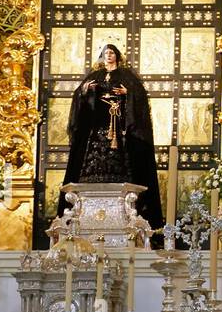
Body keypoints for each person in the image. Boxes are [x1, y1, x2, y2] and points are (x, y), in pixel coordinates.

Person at [61, 44, 163, 231]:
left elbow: (139, 95)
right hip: (97, 124)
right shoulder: (95, 76)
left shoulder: (126, 76)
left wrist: (128, 93)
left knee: (124, 156)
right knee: (91, 154)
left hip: (120, 124)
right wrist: (85, 90)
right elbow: (79, 96)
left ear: (117, 56)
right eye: (106, 53)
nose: (109, 56)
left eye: (112, 53)